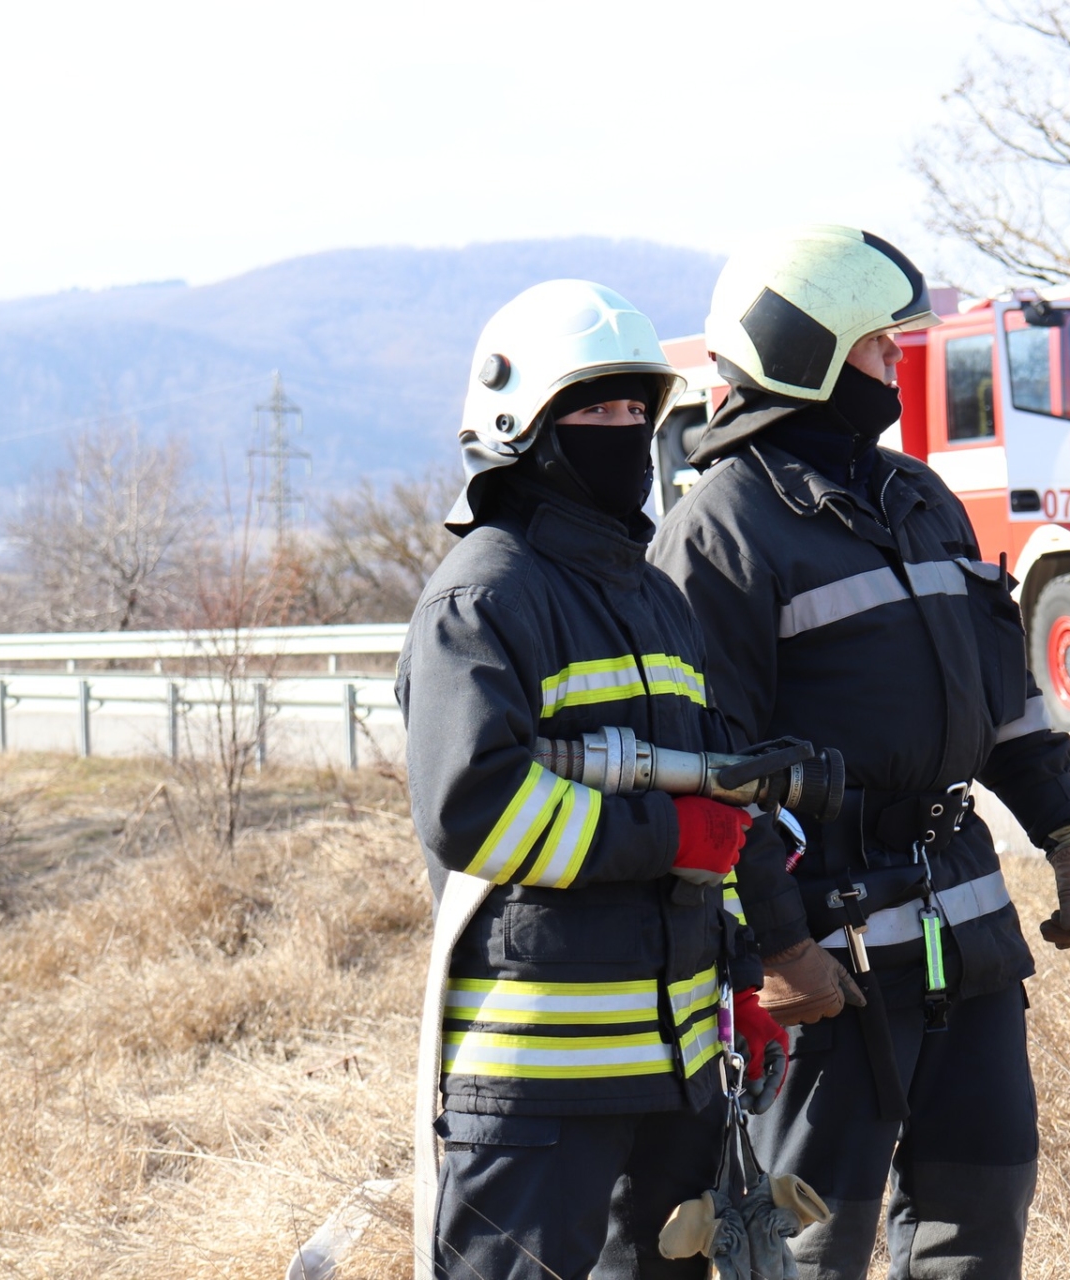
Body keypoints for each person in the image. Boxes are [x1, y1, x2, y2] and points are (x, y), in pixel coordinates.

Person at [650, 225, 1070, 1280]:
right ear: (800, 352)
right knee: (811, 1247)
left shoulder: (919, 496)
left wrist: (1066, 827)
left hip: (970, 931)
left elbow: (1002, 694)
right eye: (876, 346)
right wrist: (776, 946)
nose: (896, 364)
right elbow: (707, 771)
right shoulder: (721, 532)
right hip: (829, 957)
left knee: (981, 1217)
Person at [397, 279, 790, 1280]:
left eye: (633, 410)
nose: (621, 430)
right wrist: (664, 835)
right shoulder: (485, 595)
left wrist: (738, 984)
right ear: (519, 423)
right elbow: (474, 806)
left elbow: (716, 809)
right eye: (594, 409)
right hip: (538, 1082)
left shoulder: (656, 597)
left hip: (677, 1068)